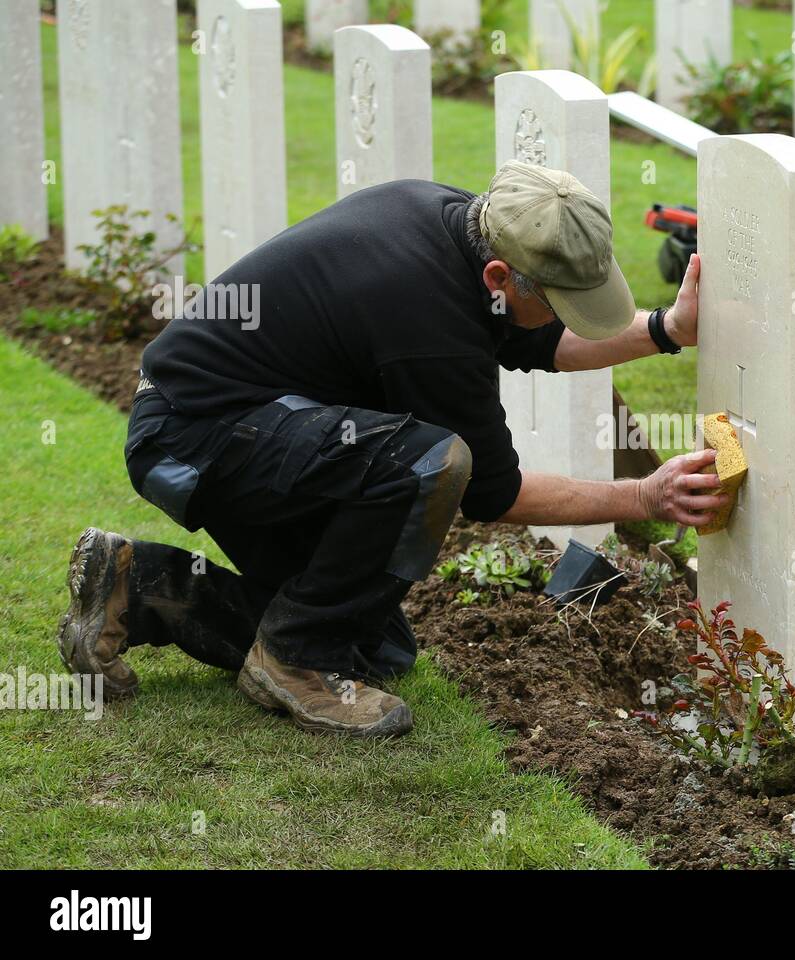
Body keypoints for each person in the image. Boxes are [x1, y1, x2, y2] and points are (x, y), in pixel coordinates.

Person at [57, 161, 725, 739]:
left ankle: (137, 585)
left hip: (243, 422)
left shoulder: (459, 221)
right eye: (559, 300)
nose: (563, 314)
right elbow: (496, 494)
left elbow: (534, 340)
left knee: (376, 651)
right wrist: (645, 495)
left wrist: (668, 329)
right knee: (433, 462)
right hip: (197, 436)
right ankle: (293, 661)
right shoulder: (424, 314)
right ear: (500, 276)